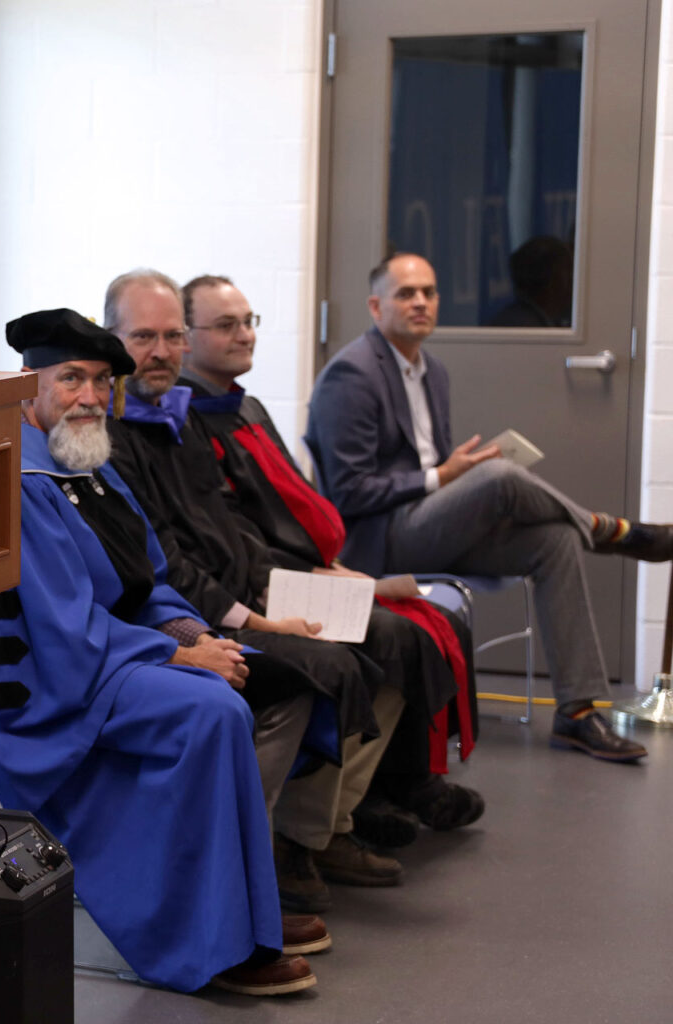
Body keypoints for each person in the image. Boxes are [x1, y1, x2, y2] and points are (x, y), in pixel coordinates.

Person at [0, 308, 326, 997]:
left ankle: (244, 917)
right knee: (210, 712)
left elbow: (149, 582)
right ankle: (198, 941)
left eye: (100, 381)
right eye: (70, 379)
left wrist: (196, 634)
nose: (91, 397)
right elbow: (63, 628)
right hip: (43, 691)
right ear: (25, 384)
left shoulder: (90, 465)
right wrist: (176, 659)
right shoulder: (22, 479)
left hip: (102, 662)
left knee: (247, 689)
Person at [101, 269, 470, 909]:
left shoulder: (182, 418)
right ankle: (291, 843)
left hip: (251, 589)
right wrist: (260, 619)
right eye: (142, 337)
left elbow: (232, 532)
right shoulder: (110, 438)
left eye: (170, 336)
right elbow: (166, 566)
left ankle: (330, 825)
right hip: (191, 616)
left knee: (395, 635)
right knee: (336, 662)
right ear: (111, 340)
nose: (160, 351)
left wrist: (300, 582)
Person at [307, 253, 671, 762]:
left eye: (429, 293)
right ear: (375, 306)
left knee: (555, 540)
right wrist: (445, 477)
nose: (420, 303)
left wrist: (454, 486)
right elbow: (348, 494)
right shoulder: (351, 374)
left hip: (428, 524)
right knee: (498, 475)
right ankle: (611, 530)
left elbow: (435, 473)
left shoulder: (432, 371)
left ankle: (578, 712)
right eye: (406, 294)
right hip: (376, 540)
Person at [168, 272, 486, 838]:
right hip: (265, 587)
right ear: (187, 337)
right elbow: (237, 540)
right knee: (393, 633)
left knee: (431, 620)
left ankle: (393, 786)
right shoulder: (186, 424)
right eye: (226, 325)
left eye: (248, 322)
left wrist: (341, 572)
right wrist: (330, 579)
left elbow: (293, 512)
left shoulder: (247, 407)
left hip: (304, 570)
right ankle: (349, 814)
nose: (244, 335)